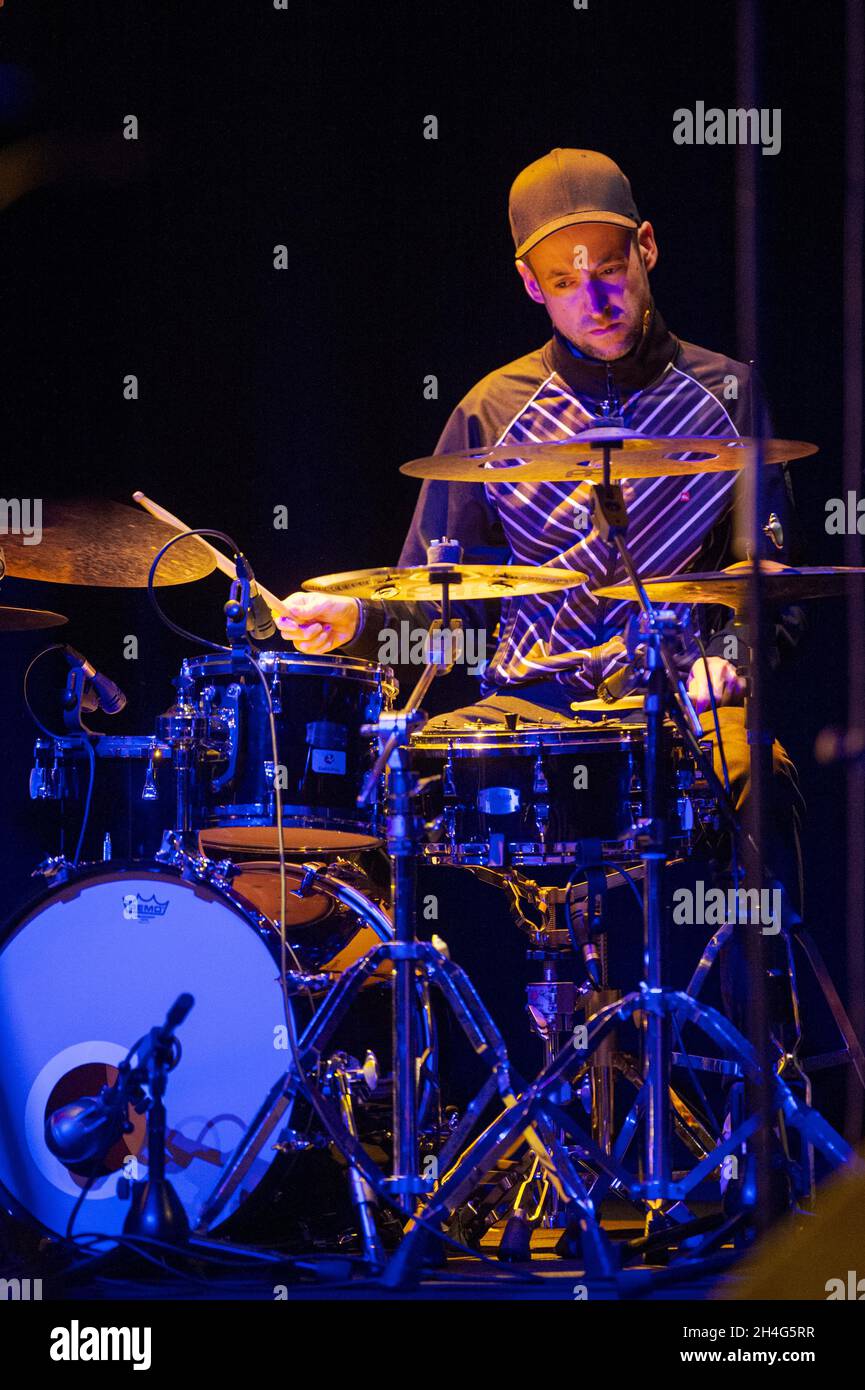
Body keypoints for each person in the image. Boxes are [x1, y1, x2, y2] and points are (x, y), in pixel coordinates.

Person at [277, 148, 804, 915]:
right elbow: (433, 599)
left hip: (674, 708)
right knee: (380, 780)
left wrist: (728, 662)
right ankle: (384, 1023)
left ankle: (768, 1026)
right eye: (564, 282)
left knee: (761, 773)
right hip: (528, 708)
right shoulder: (492, 412)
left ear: (646, 247)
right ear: (531, 285)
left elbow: (771, 585)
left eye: (611, 269)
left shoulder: (727, 393)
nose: (595, 299)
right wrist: (356, 619)